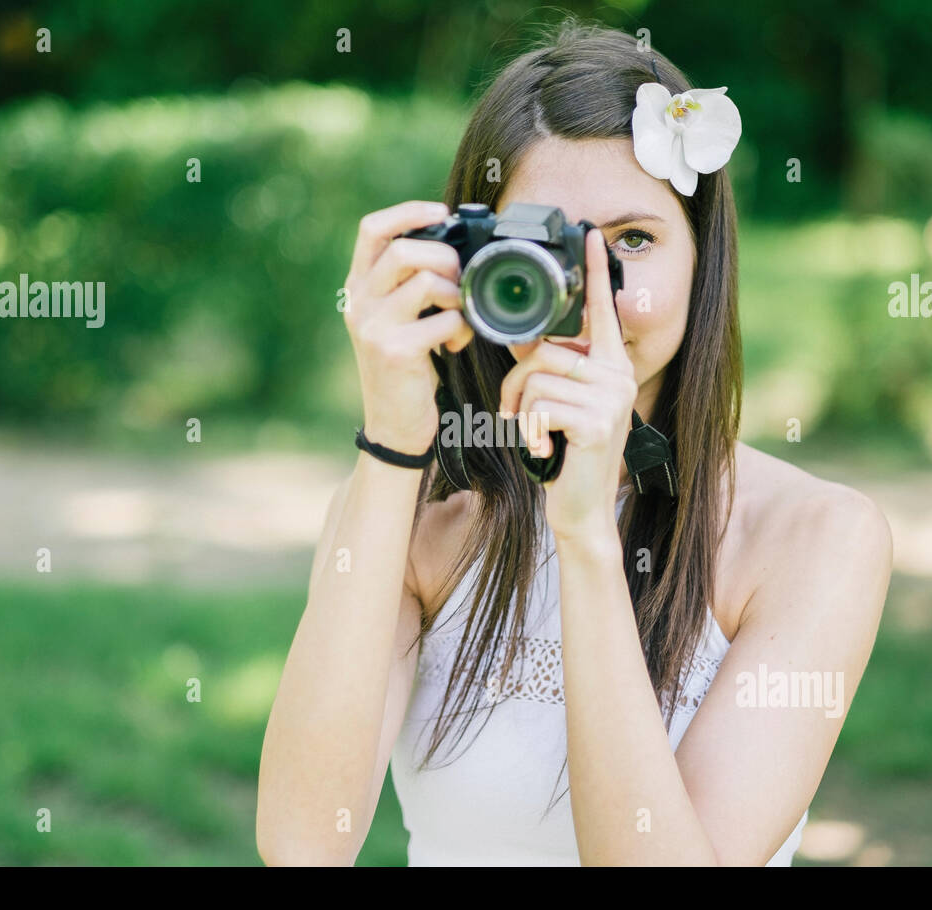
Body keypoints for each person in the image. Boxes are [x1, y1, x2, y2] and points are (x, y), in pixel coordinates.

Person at [257, 18, 892, 866]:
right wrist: (392, 445)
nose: (590, 292)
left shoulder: (816, 538)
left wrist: (586, 532)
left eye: (632, 241)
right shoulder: (410, 513)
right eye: (546, 246)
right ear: (475, 262)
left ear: (704, 257)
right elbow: (303, 846)